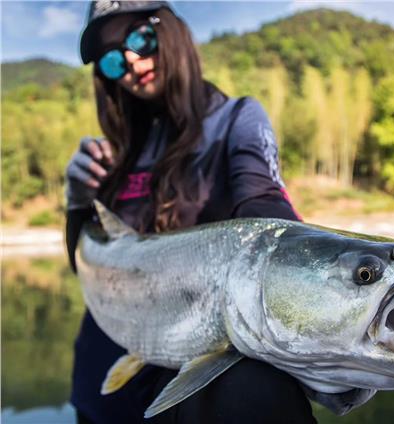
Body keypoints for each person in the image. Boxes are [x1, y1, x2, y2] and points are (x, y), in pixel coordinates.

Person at [64, 1, 316, 423]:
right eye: (110, 60)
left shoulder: (238, 119)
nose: (129, 61)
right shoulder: (110, 155)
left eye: (140, 38)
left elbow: (265, 204)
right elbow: (85, 264)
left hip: (188, 389)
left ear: (173, 30)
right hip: (100, 392)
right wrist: (75, 200)